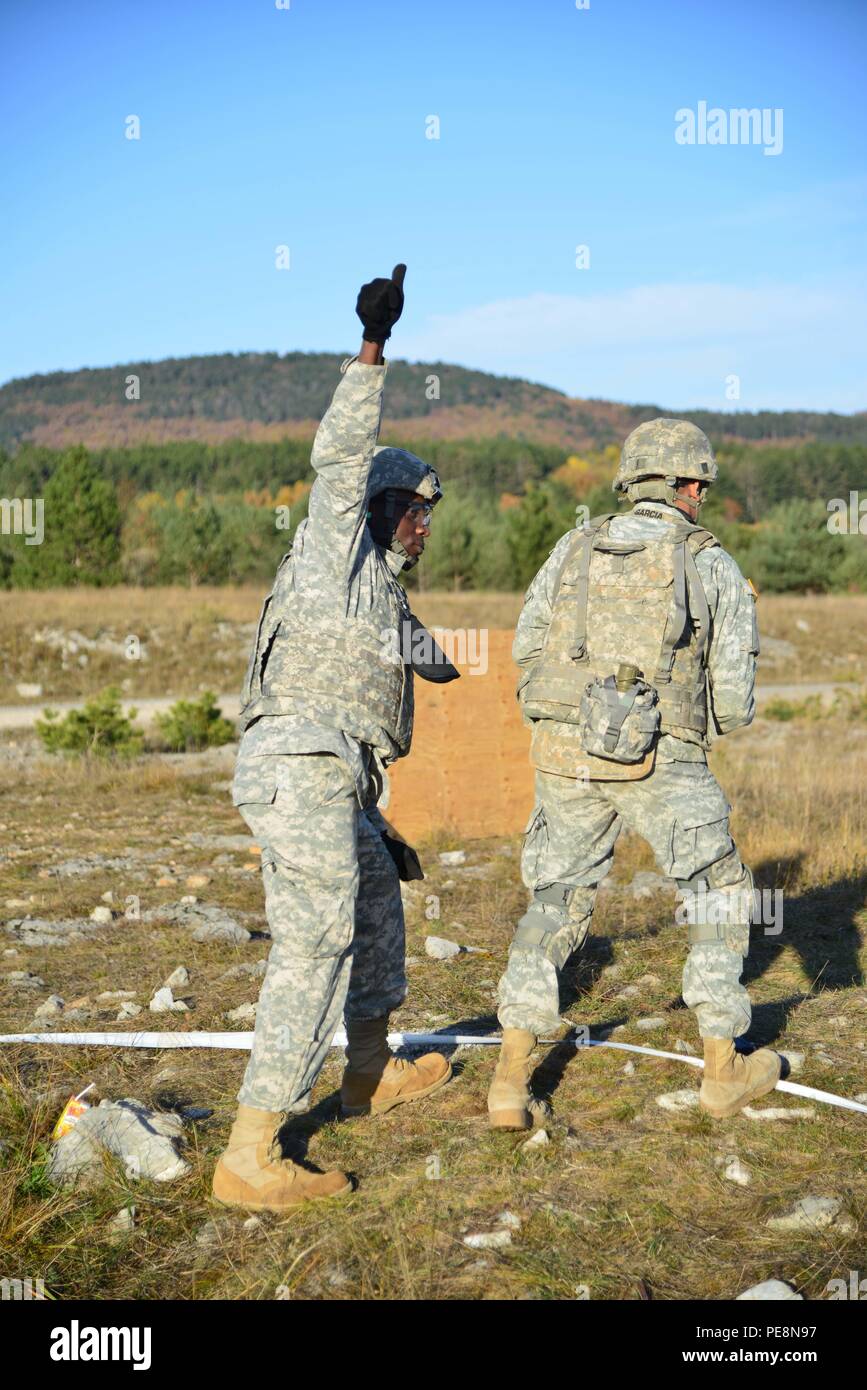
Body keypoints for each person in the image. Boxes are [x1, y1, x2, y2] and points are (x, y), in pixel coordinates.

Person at [213, 265, 455, 1211]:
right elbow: (340, 458)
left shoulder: (382, 594)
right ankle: (249, 1153)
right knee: (313, 944)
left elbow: (432, 660)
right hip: (299, 764)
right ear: (384, 507)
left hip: (340, 779)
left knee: (377, 908)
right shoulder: (332, 548)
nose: (428, 526)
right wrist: (372, 348)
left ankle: (364, 1074)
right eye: (418, 509)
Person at [488, 418, 782, 1129]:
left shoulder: (573, 545)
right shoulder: (708, 560)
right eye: (700, 486)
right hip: (663, 755)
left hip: (563, 751)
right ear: (686, 484)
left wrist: (574, 717)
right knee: (715, 890)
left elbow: (526, 645)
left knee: (556, 897)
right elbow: (734, 705)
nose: (702, 499)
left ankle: (508, 1077)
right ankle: (722, 1067)